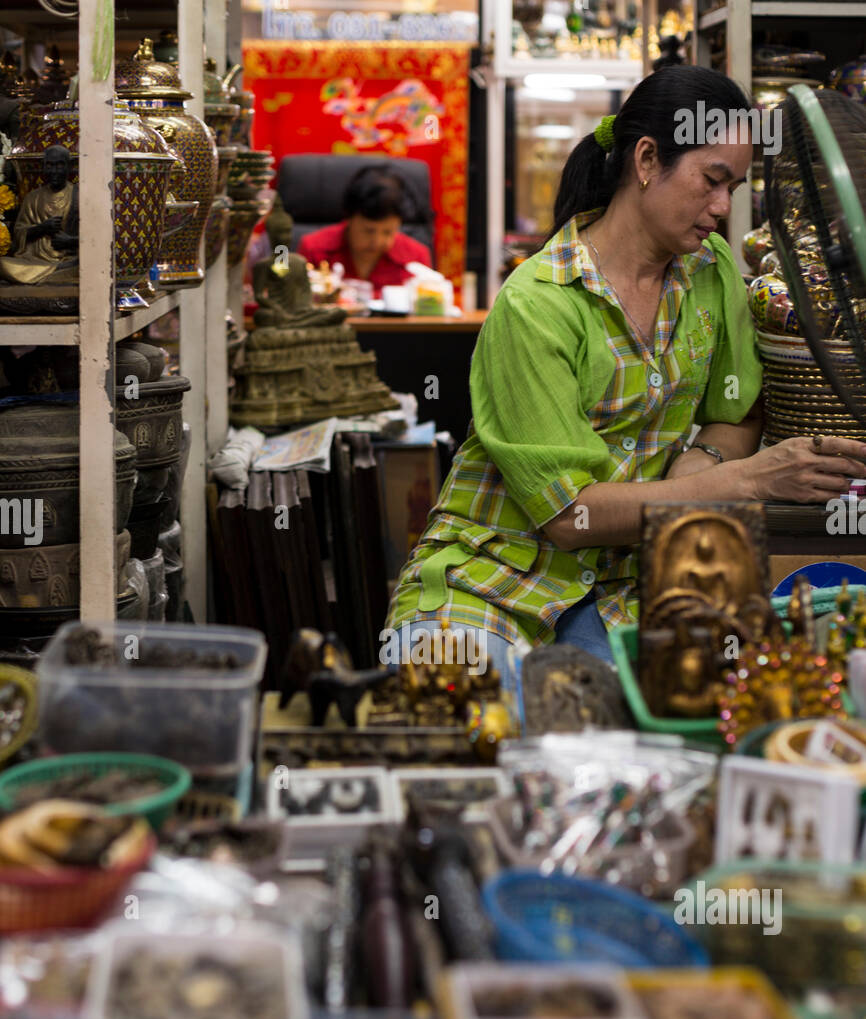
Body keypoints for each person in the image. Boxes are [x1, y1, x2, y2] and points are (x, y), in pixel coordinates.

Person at [386, 66, 866, 692]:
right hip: (489, 582)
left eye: (736, 187)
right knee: (476, 725)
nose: (723, 208)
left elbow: (739, 407)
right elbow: (567, 514)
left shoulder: (709, 269)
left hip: (622, 588)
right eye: (712, 180)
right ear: (646, 160)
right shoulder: (539, 304)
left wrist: (703, 461)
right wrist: (742, 481)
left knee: (641, 746)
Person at [296, 166, 431, 291]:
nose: (377, 241)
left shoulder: (416, 259)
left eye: (388, 232)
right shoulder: (313, 249)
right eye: (369, 230)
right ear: (349, 218)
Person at [0, 145, 78, 285]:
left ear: (69, 167)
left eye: (59, 165)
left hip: (68, 260)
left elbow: (95, 238)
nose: (54, 171)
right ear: (43, 167)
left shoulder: (79, 196)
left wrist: (70, 241)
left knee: (85, 266)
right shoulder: (33, 198)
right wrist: (41, 228)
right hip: (34, 261)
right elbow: (18, 234)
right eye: (49, 165)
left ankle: (55, 273)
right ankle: (54, 274)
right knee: (2, 263)